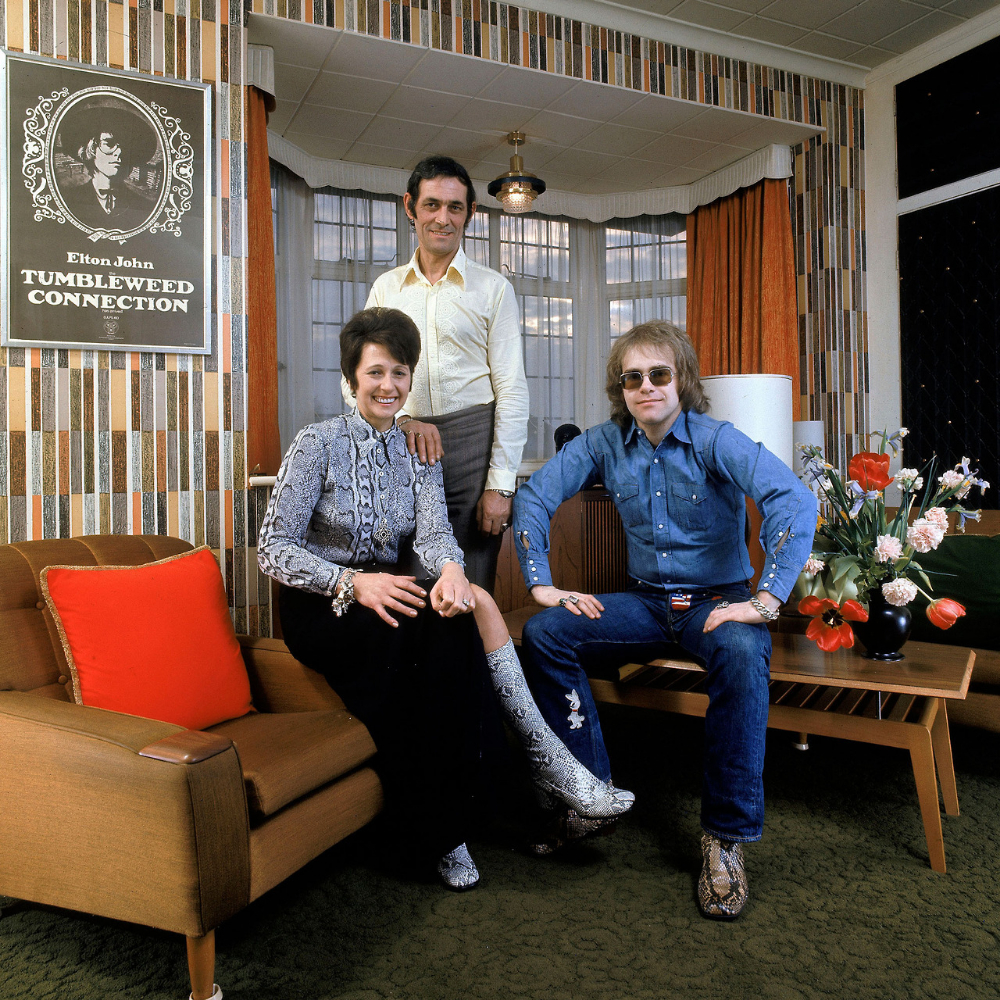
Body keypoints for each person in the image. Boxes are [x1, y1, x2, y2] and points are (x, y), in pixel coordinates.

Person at [259, 307, 631, 892]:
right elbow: (273, 548)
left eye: (400, 373)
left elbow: (433, 533)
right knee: (420, 647)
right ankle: (491, 806)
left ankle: (464, 820)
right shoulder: (317, 444)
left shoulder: (415, 449)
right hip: (323, 602)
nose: (388, 386)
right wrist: (352, 582)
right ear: (351, 378)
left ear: (411, 379)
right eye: (376, 372)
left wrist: (454, 570)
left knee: (451, 629)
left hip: (392, 591)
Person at [512, 320, 817, 919]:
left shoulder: (716, 439)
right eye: (632, 377)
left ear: (682, 381)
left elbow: (793, 499)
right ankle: (589, 795)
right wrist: (541, 584)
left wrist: (765, 600)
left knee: (738, 652)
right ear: (620, 387)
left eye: (658, 374)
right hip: (647, 602)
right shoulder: (603, 443)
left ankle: (725, 839)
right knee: (545, 633)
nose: (645, 386)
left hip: (717, 604)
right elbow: (535, 497)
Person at [359, 156, 529, 592]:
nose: (443, 218)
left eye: (455, 207)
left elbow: (511, 389)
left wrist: (501, 486)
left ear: (470, 213)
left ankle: (471, 663)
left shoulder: (494, 289)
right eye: (432, 205)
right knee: (405, 585)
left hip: (473, 444)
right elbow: (358, 379)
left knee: (468, 587)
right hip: (402, 444)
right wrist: (400, 420)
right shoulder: (386, 289)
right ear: (410, 207)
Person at [58, 102, 158, 232]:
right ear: (91, 149)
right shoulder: (68, 201)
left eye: (124, 146)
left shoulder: (143, 206)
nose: (119, 152)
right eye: (109, 144)